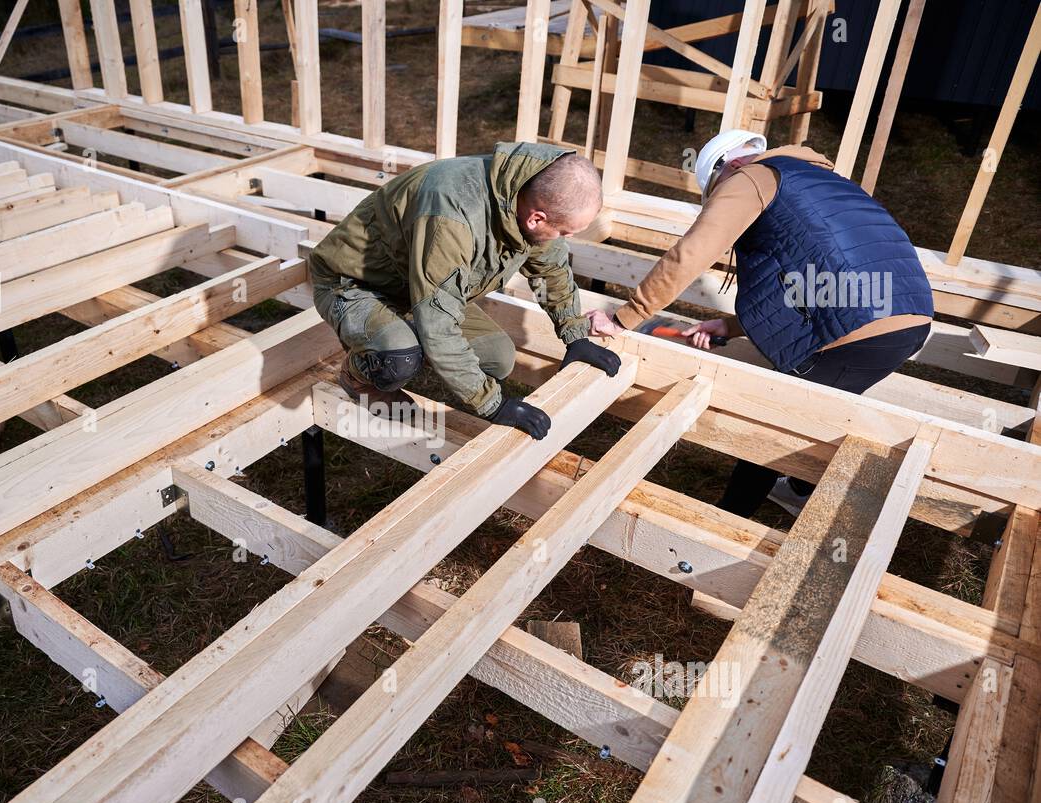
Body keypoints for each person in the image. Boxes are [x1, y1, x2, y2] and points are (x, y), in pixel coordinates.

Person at [590, 129, 934, 517]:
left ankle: (728, 519)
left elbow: (690, 254)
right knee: (820, 403)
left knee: (775, 423)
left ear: (725, 170)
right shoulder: (816, 180)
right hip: (906, 314)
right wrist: (732, 327)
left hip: (861, 327)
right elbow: (816, 277)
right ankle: (802, 487)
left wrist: (624, 319)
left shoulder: (748, 179)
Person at [308, 142, 621, 440]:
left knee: (498, 358)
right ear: (536, 218)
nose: (562, 238)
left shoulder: (526, 193)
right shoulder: (453, 217)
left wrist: (574, 335)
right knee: (398, 358)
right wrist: (491, 403)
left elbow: (550, 268)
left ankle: (405, 340)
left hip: (418, 284)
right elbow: (439, 325)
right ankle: (359, 377)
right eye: (563, 231)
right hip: (356, 282)